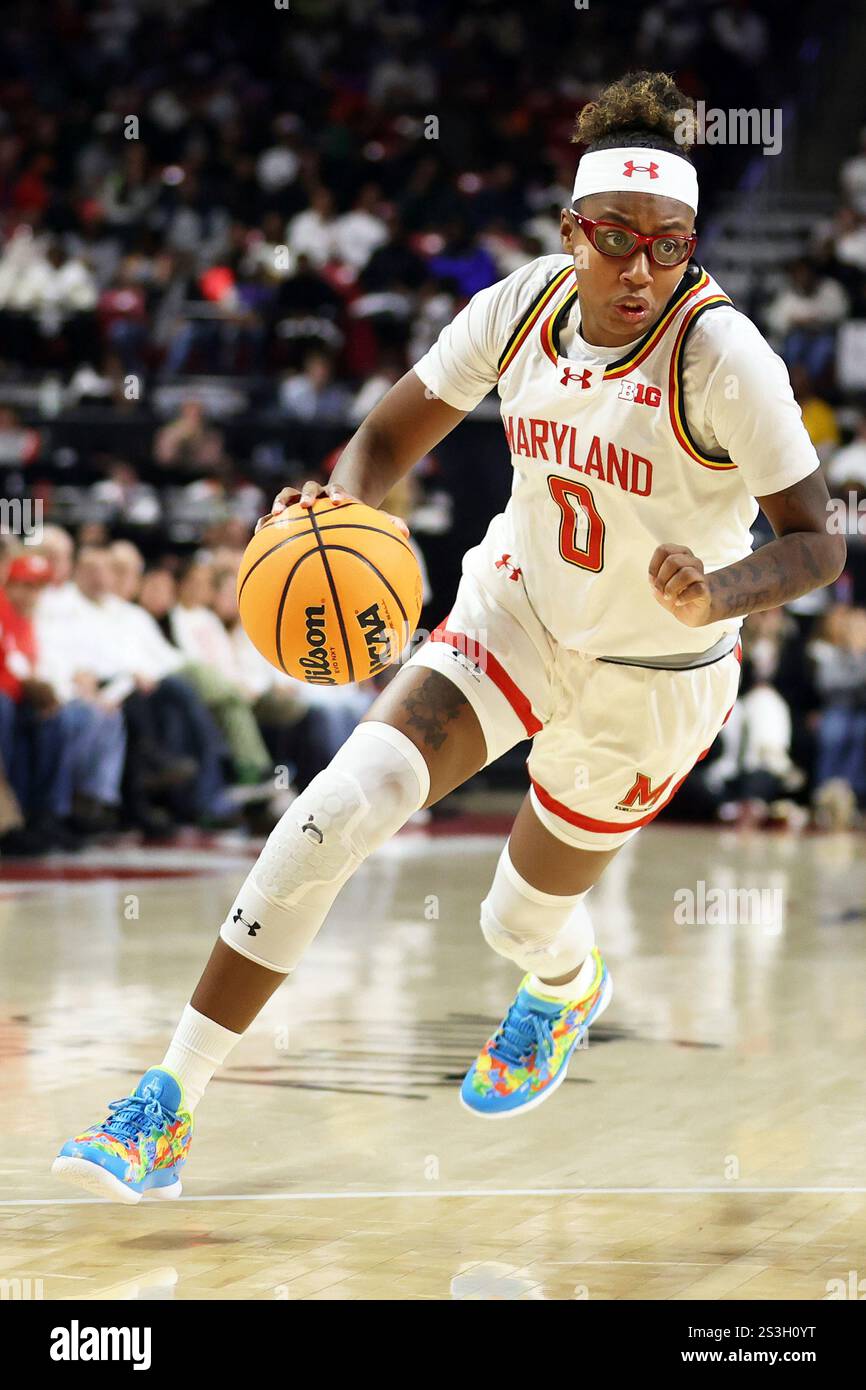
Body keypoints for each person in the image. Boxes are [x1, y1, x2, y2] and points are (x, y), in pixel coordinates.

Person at [53, 71, 846, 1202]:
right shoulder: (517, 306)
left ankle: (563, 985)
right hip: (515, 608)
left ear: (690, 245)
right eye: (613, 238)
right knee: (334, 805)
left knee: (515, 917)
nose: (638, 269)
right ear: (571, 231)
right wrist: (336, 513)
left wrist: (717, 589)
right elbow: (379, 443)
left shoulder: (726, 361)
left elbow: (817, 547)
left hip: (652, 675)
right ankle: (167, 1104)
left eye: (667, 246)